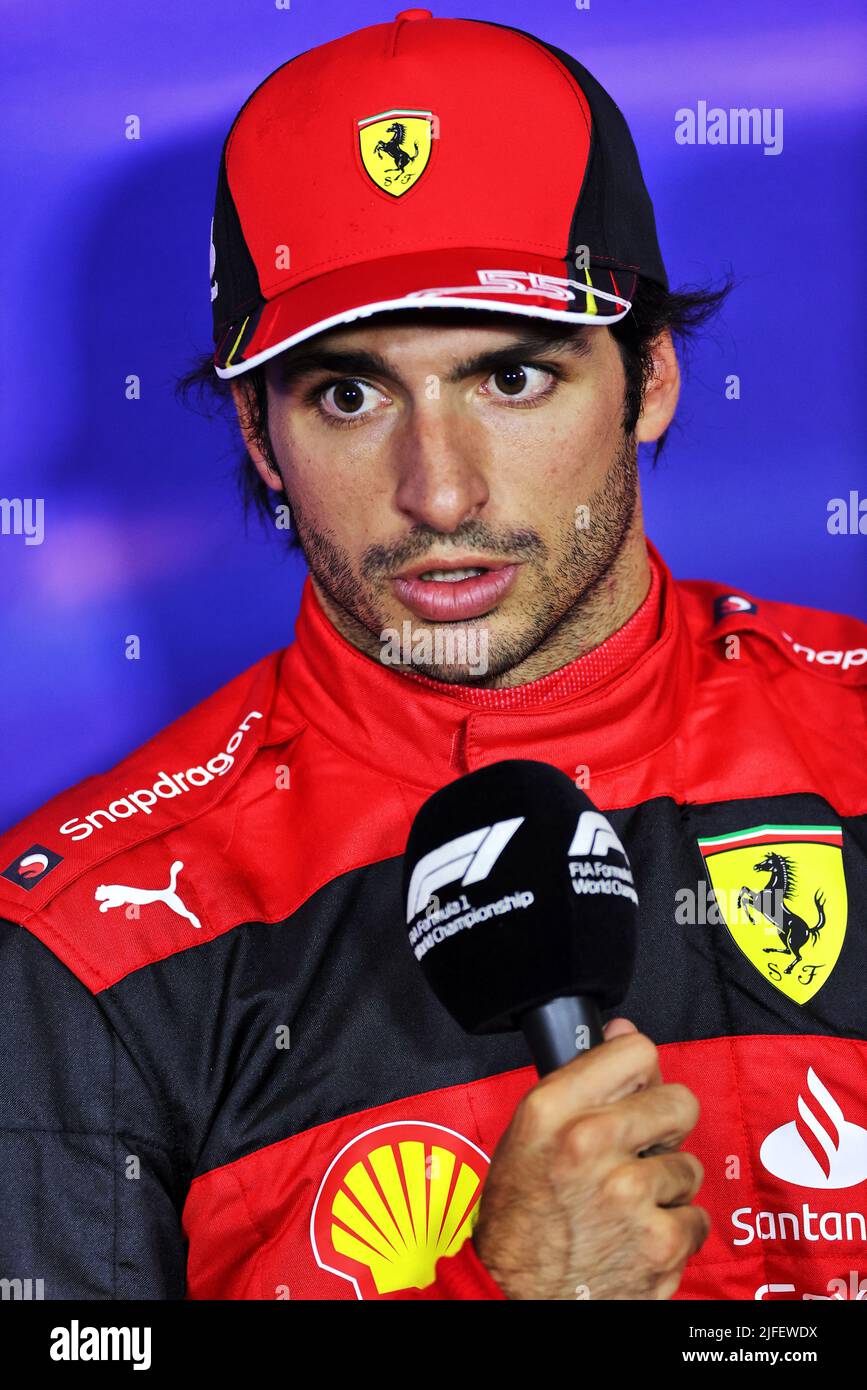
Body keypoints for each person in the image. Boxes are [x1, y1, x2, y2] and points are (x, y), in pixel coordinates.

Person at [1, 11, 865, 1303]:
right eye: (351, 395)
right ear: (257, 433)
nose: (442, 495)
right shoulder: (87, 945)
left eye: (511, 378)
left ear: (652, 381)